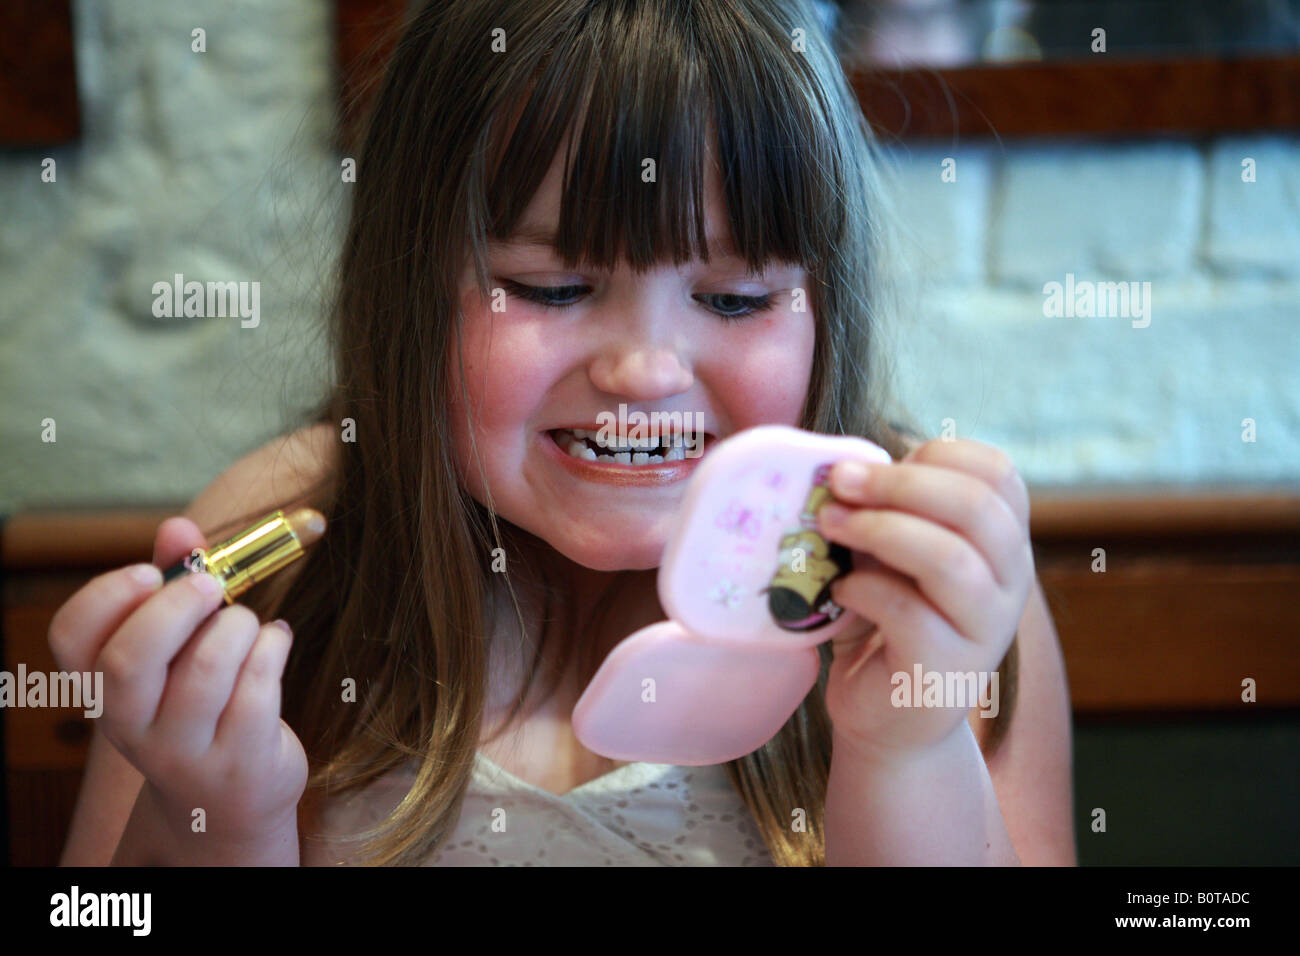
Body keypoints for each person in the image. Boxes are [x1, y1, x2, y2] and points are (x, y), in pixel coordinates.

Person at [52, 0, 1074, 866]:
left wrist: (906, 747)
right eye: (555, 287)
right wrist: (215, 822)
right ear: (411, 285)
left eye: (732, 298)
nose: (646, 369)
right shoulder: (283, 541)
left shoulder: (926, 589)